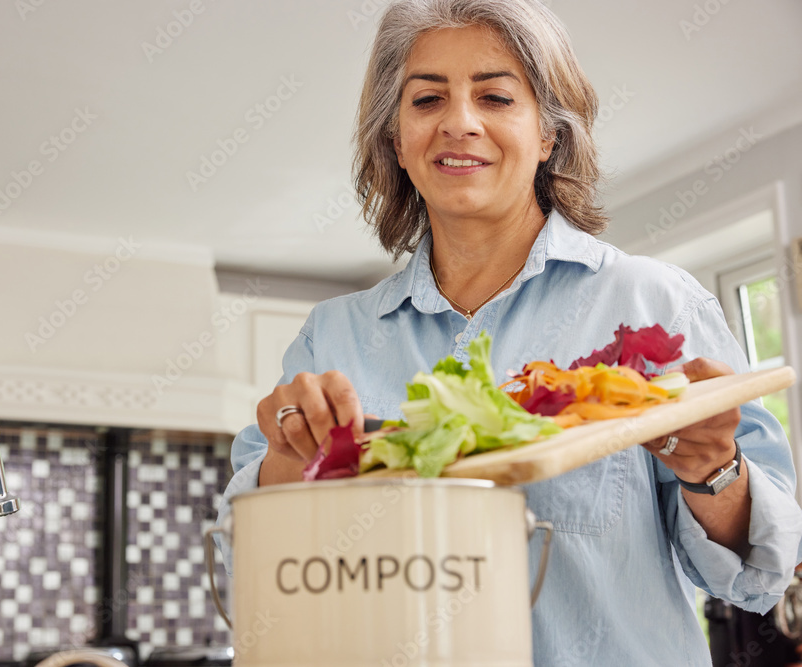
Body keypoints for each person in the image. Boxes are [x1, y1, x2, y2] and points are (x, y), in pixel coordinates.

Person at [216, 0, 802, 663]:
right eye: (427, 100)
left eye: (496, 96)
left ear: (549, 134)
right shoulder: (333, 337)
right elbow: (253, 582)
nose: (460, 123)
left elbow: (762, 573)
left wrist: (714, 473)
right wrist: (288, 464)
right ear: (397, 141)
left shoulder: (654, 301)